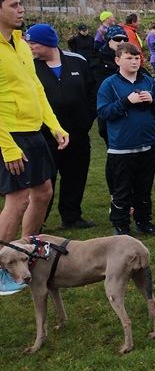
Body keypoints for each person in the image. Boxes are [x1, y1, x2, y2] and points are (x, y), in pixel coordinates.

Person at [0, 0, 69, 295]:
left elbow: (36, 89)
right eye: (14, 5)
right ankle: (2, 265)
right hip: (9, 134)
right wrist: (7, 146)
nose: (21, 9)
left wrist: (54, 126)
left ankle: (24, 254)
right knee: (18, 199)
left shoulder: (21, 43)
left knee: (43, 191)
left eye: (21, 4)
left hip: (33, 132)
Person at [26, 24, 98, 229]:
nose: (29, 47)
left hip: (78, 133)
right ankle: (37, 222)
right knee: (43, 181)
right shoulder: (28, 65)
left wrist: (87, 117)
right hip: (44, 137)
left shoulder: (77, 61)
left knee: (76, 176)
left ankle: (72, 216)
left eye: (33, 43)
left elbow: (92, 90)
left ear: (48, 43)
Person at [96, 42, 155, 236]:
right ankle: (121, 226)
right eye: (129, 58)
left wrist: (152, 101)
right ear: (118, 60)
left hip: (148, 144)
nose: (134, 61)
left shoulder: (148, 81)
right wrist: (127, 102)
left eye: (137, 58)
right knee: (122, 190)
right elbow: (103, 112)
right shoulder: (109, 84)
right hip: (122, 147)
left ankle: (144, 222)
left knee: (144, 187)